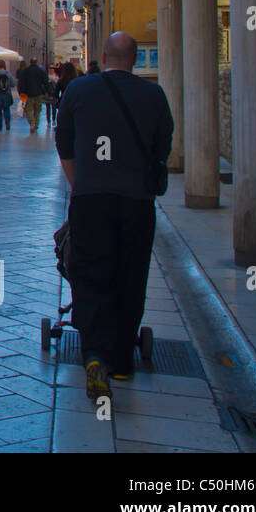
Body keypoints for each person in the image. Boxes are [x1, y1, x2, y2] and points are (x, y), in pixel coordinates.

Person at [56, 32, 174, 399]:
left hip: (91, 199)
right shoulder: (154, 95)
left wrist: (80, 184)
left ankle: (94, 355)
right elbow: (162, 148)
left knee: (90, 273)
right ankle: (122, 361)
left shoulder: (78, 90)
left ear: (103, 56)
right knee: (131, 274)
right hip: (136, 201)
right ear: (135, 60)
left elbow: (64, 144)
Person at [20, 57, 49, 133]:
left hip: (28, 94)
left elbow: (21, 83)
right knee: (37, 111)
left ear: (30, 62)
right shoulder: (40, 71)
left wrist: (21, 93)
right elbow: (46, 82)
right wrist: (48, 92)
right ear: (36, 62)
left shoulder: (25, 71)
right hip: (38, 93)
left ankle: (32, 122)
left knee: (28, 109)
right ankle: (35, 125)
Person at [0, 59, 14, 131]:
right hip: (7, 94)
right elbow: (13, 84)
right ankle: (7, 120)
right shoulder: (8, 74)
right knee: (6, 109)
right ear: (4, 65)